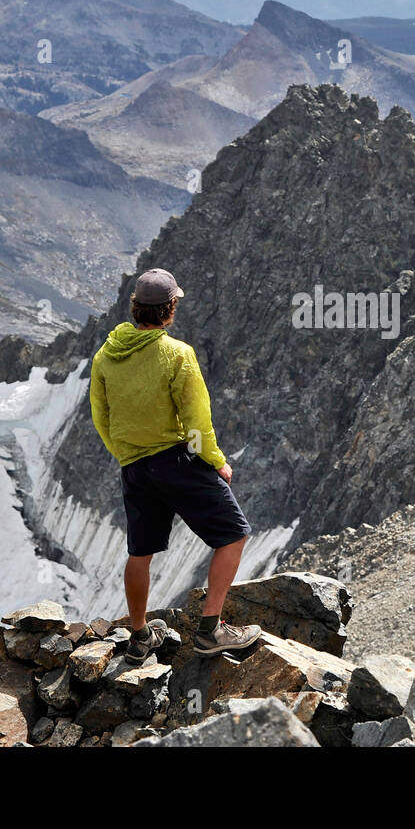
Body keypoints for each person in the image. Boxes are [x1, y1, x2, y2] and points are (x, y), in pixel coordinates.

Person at [89, 267, 261, 664]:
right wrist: (215, 461)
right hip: (178, 461)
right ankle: (211, 630)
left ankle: (139, 635)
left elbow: (101, 415)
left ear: (135, 308)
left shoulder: (106, 356)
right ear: (170, 309)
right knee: (233, 535)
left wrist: (127, 452)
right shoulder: (176, 354)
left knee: (140, 552)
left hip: (134, 466)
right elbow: (197, 419)